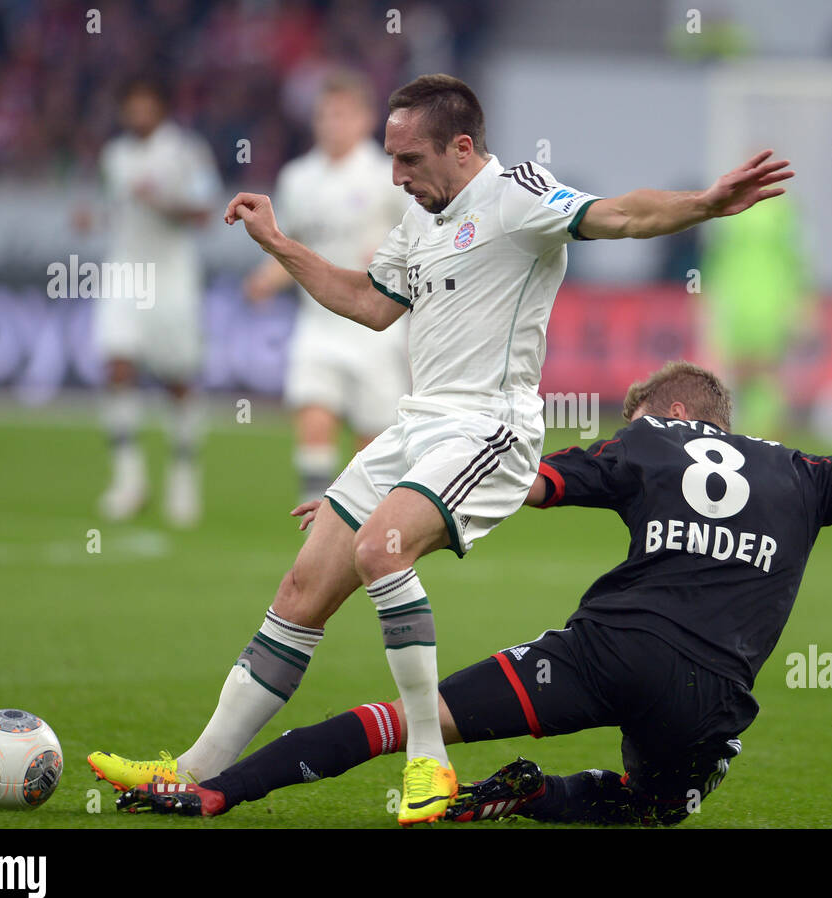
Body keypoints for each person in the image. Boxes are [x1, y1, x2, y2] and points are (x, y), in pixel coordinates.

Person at [88, 74, 795, 824]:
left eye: (409, 158)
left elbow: (618, 213)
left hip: (491, 427)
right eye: (391, 158)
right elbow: (369, 303)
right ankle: (192, 768)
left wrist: (704, 206)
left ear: (462, 147)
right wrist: (279, 244)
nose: (396, 174)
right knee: (302, 589)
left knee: (381, 548)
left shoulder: (519, 195)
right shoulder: (419, 216)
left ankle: (430, 759)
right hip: (416, 426)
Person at [113, 361, 832, 826]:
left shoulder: (642, 444)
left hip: (600, 654)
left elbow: (519, 482)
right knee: (650, 806)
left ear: (669, 414)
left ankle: (216, 796)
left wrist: (377, 507)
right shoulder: (803, 471)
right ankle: (531, 793)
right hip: (710, 694)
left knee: (403, 719)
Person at [242, 71, 411, 502]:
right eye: (324, 115)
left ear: (363, 119)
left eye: (341, 115)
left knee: (372, 449)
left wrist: (393, 254)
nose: (331, 124)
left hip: (376, 328)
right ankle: (314, 543)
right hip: (317, 326)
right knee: (313, 419)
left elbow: (422, 235)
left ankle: (358, 536)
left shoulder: (386, 174)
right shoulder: (298, 178)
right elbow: (293, 249)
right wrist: (266, 279)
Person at [90, 75, 222, 527]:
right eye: (132, 105)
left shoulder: (188, 151)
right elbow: (117, 208)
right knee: (117, 364)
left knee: (177, 379)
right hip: (126, 273)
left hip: (171, 279)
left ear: (161, 108)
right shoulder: (115, 155)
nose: (138, 114)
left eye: (146, 104)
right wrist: (95, 219)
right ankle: (129, 480)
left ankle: (184, 476)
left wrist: (165, 201)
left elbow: (206, 210)